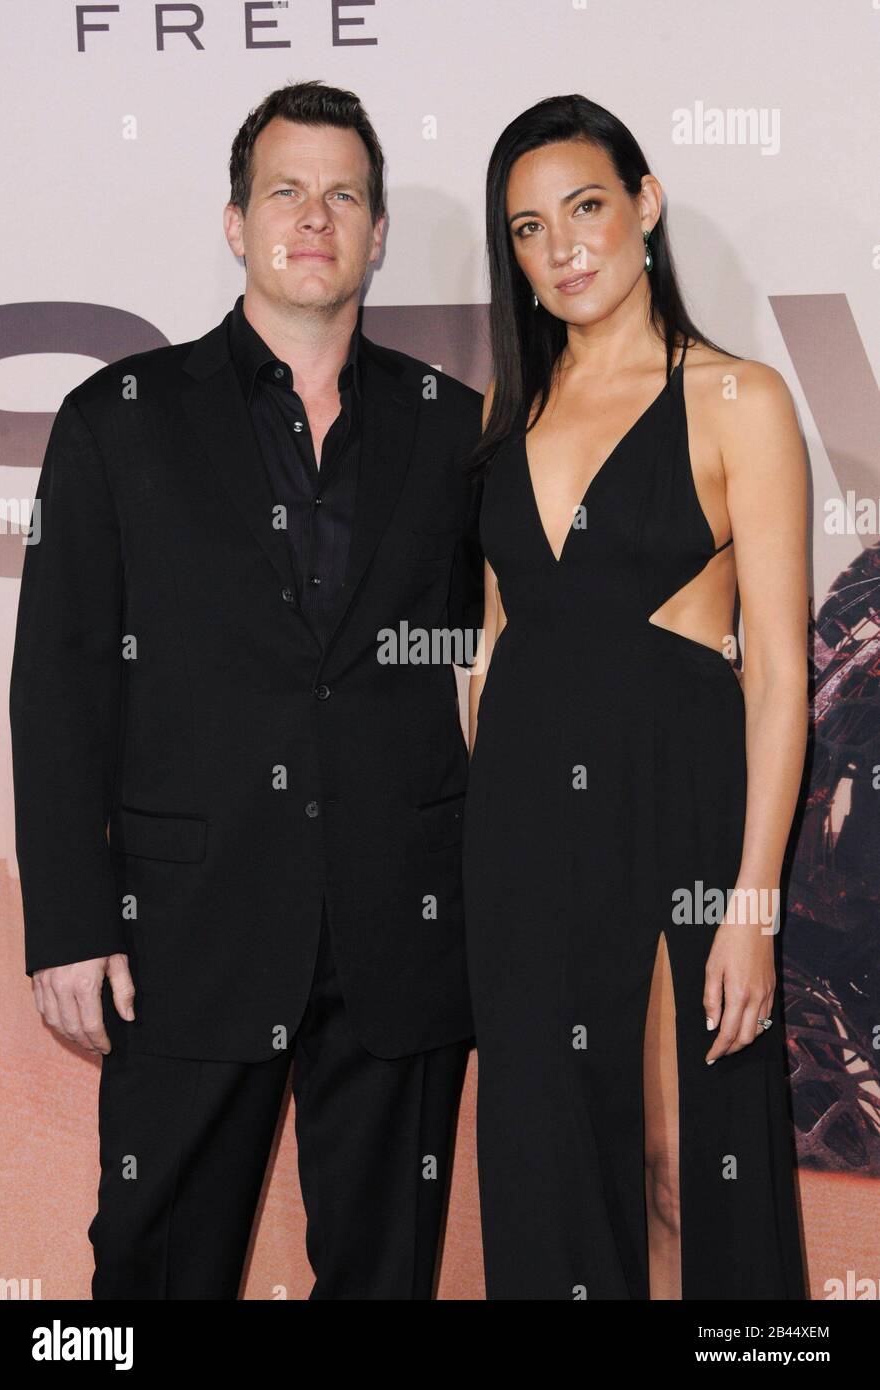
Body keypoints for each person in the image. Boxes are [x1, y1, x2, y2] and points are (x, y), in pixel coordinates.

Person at [10, 80, 483, 1300]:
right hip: (188, 929)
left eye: (344, 194)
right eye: (286, 189)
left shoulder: (456, 431)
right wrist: (69, 918)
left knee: (385, 1280)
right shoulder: (117, 419)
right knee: (152, 1275)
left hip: (404, 931)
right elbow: (57, 680)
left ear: (378, 233)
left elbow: (498, 668)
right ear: (236, 221)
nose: (314, 216)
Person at [463, 94, 808, 1300]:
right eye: (526, 227)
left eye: (587, 207)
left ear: (646, 206)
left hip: (677, 821)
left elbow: (775, 679)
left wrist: (751, 904)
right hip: (520, 849)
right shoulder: (507, 418)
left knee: (681, 1167)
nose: (561, 247)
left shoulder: (737, 400)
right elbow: (494, 648)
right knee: (551, 1173)